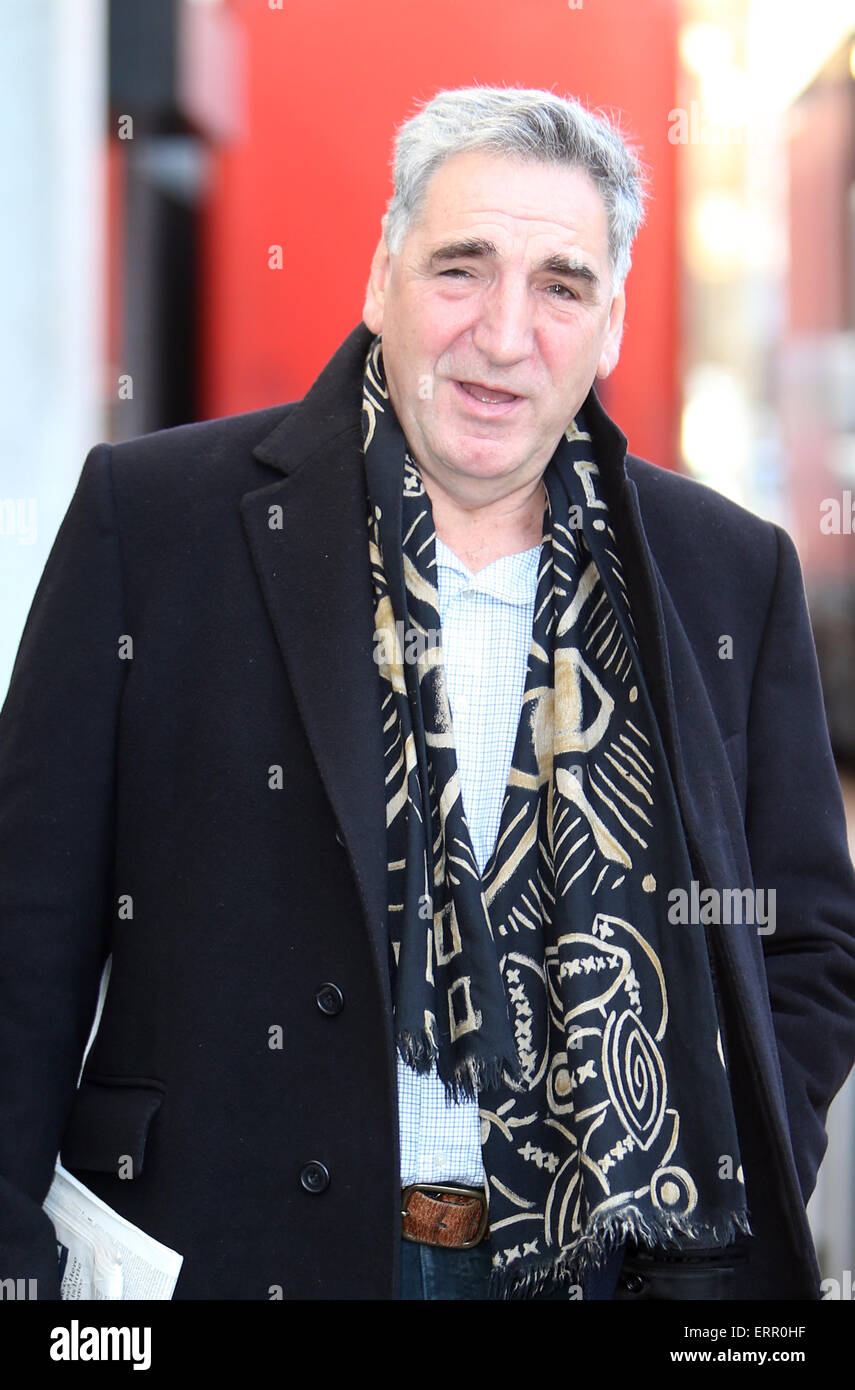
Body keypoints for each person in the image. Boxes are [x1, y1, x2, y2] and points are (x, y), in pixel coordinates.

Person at [1, 86, 854, 1303]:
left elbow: (808, 943)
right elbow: (25, 932)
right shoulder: (155, 523)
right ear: (381, 278)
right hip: (229, 1260)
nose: (506, 335)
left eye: (561, 284)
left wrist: (712, 1184)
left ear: (612, 322)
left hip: (598, 1274)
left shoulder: (726, 573)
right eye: (462, 268)